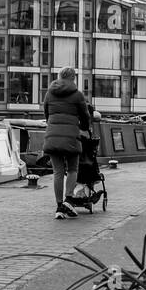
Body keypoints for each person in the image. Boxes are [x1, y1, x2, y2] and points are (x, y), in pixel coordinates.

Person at [42, 67, 90, 220]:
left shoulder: (49, 93)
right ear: (73, 78)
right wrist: (84, 128)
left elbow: (47, 114)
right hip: (71, 137)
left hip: (53, 136)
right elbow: (85, 116)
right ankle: (68, 200)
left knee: (57, 172)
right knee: (72, 169)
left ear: (59, 76)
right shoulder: (77, 95)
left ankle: (59, 207)